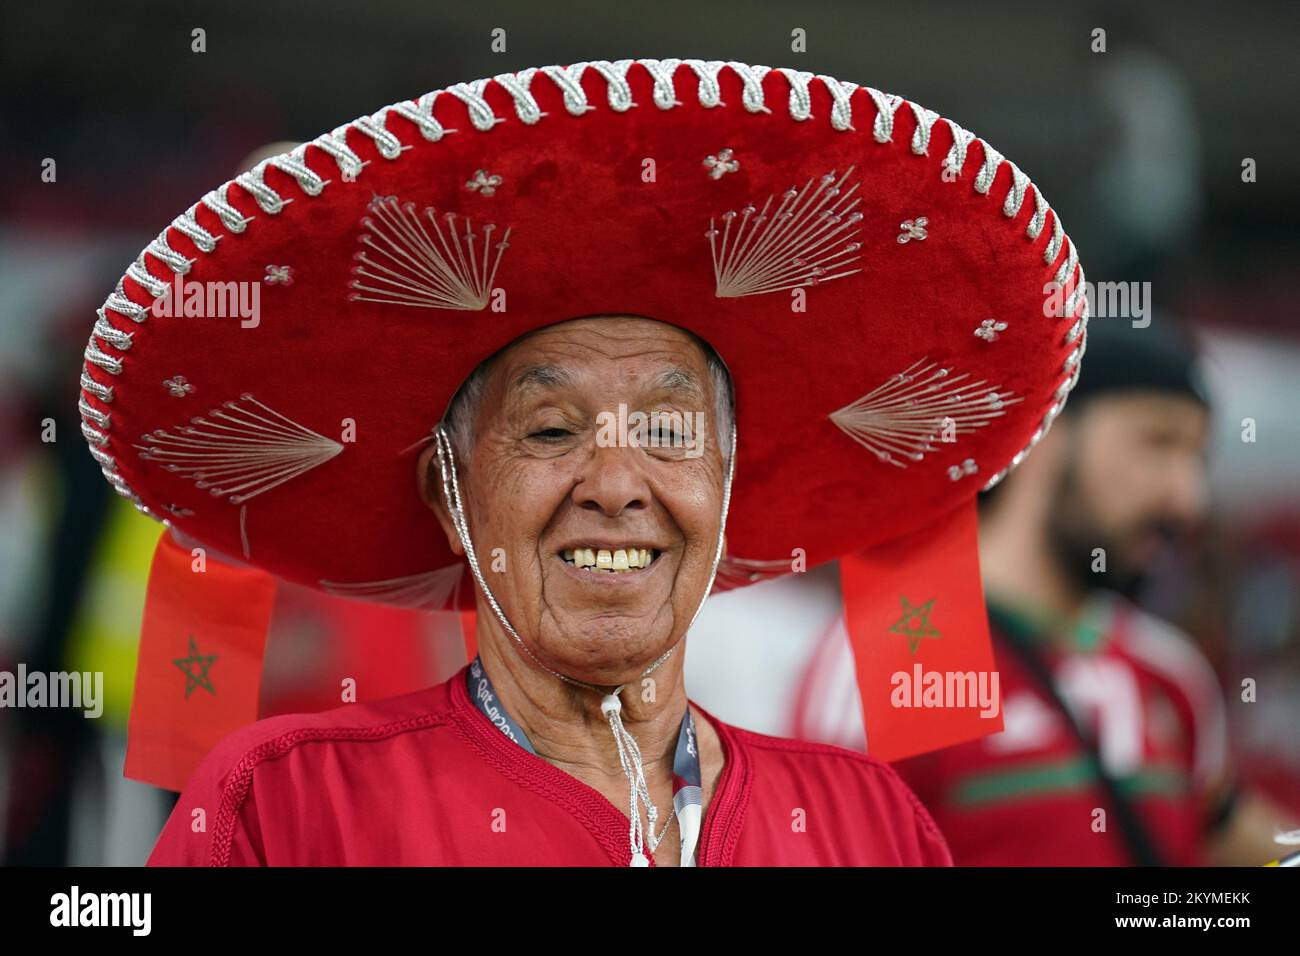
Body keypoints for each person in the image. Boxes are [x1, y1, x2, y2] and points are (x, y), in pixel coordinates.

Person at [74, 59, 1088, 866]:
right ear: (448, 487)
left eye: (670, 430)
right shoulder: (278, 805)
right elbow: (141, 755)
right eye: (551, 430)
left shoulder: (872, 826)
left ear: (732, 480)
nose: (614, 482)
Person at [893, 322, 1297, 865]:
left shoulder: (1168, 672)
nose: (1188, 498)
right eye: (1156, 442)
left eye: (1196, 457)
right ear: (1045, 431)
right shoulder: (902, 658)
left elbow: (1231, 849)